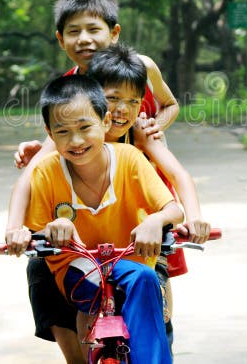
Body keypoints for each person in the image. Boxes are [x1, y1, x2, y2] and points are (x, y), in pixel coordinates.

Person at [4, 0, 182, 361]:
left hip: (141, 204)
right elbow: (48, 154)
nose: (84, 39)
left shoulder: (140, 68)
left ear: (114, 32)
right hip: (86, 217)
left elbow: (170, 107)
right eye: (73, 31)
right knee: (44, 269)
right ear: (60, 39)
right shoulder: (72, 93)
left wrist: (151, 131)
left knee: (153, 280)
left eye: (94, 29)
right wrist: (39, 153)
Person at [25, 74, 183, 363]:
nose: (76, 141)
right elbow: (35, 230)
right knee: (89, 292)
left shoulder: (130, 158)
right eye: (63, 132)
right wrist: (55, 227)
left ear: (106, 122)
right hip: (78, 266)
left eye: (85, 127)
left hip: (130, 260)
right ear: (49, 132)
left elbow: (174, 209)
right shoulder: (45, 171)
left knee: (146, 279)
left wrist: (153, 221)